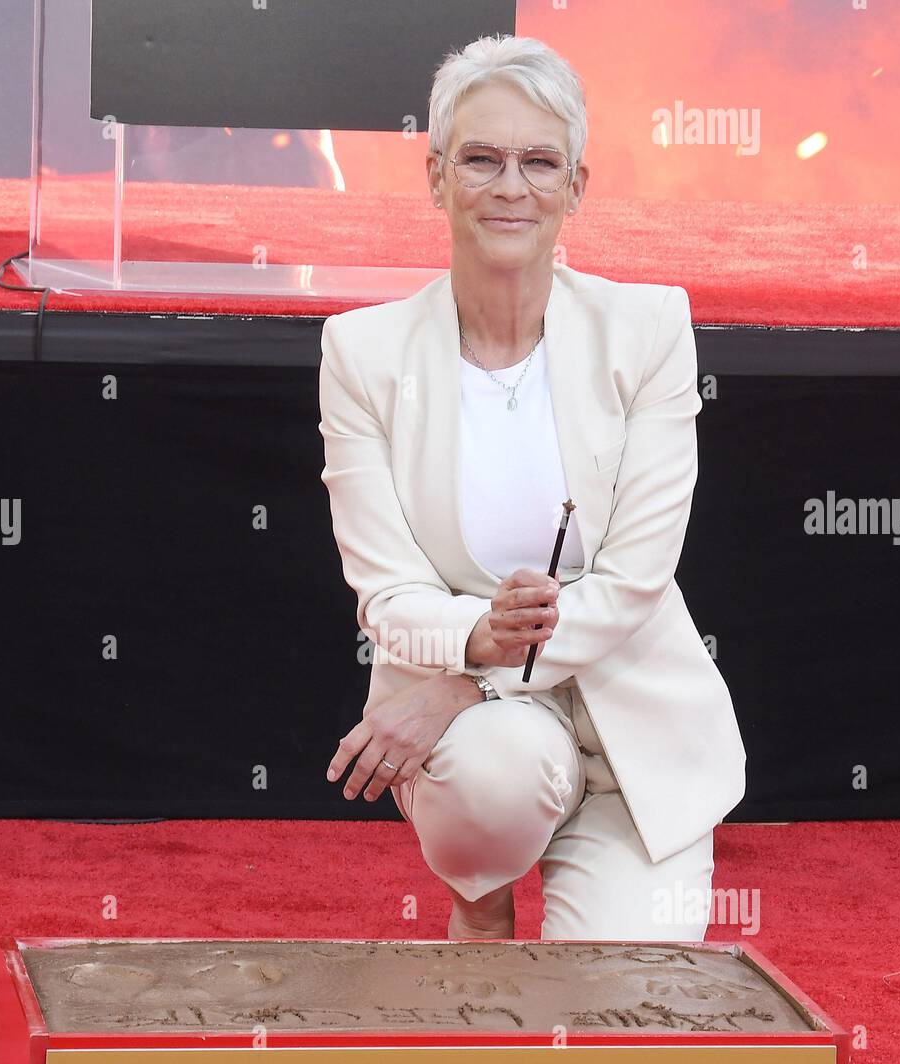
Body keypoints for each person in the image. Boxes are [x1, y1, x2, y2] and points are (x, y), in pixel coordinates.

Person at [318, 34, 745, 942]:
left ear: (575, 188)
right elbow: (387, 598)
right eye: (480, 159)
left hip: (634, 729)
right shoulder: (361, 354)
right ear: (435, 177)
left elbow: (632, 582)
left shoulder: (650, 328)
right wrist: (474, 647)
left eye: (538, 162)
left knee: (619, 1024)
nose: (510, 187)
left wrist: (470, 682)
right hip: (486, 757)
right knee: (492, 777)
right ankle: (481, 890)